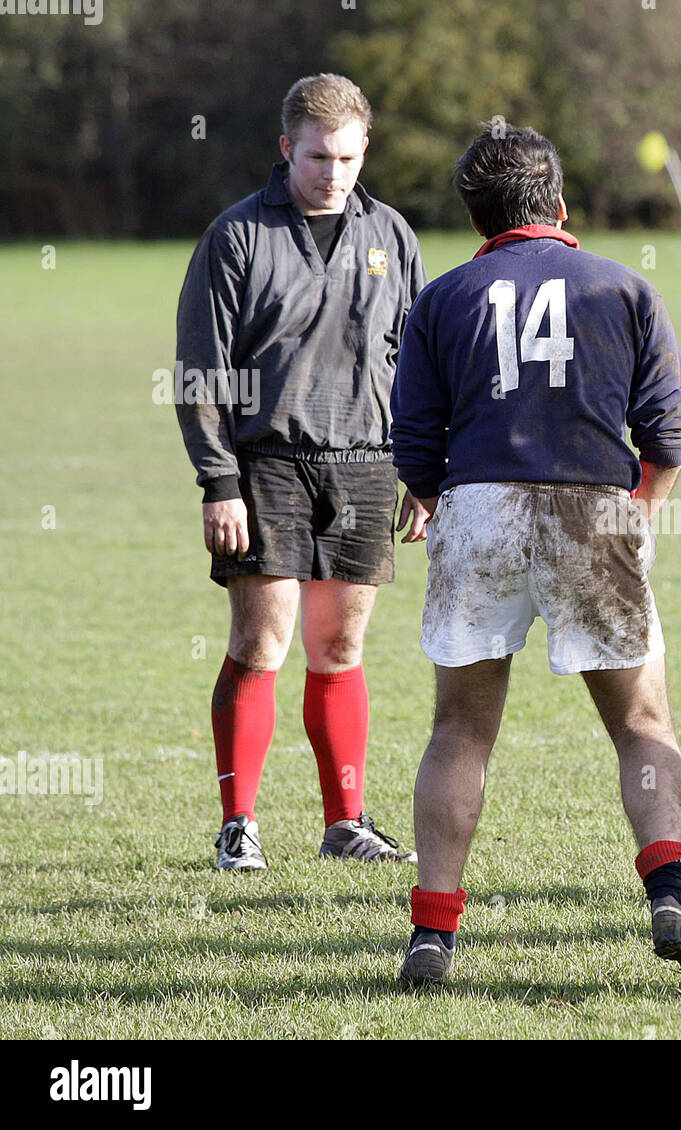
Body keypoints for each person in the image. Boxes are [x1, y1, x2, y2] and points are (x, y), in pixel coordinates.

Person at [389, 123, 681, 986]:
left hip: (478, 507)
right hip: (592, 508)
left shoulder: (441, 299)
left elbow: (417, 448)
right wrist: (641, 513)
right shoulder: (623, 287)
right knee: (643, 726)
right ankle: (670, 897)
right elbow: (666, 433)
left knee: (459, 730)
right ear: (562, 205)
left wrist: (439, 495)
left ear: (477, 220)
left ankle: (433, 934)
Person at [175, 73, 428, 871]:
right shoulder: (237, 236)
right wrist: (219, 481)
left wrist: (422, 473)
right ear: (287, 149)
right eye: (318, 156)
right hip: (266, 466)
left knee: (341, 648)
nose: (334, 173)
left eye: (349, 157)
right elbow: (199, 371)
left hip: (364, 467)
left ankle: (345, 822)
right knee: (260, 644)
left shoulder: (393, 235)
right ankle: (238, 825)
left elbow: (418, 367)